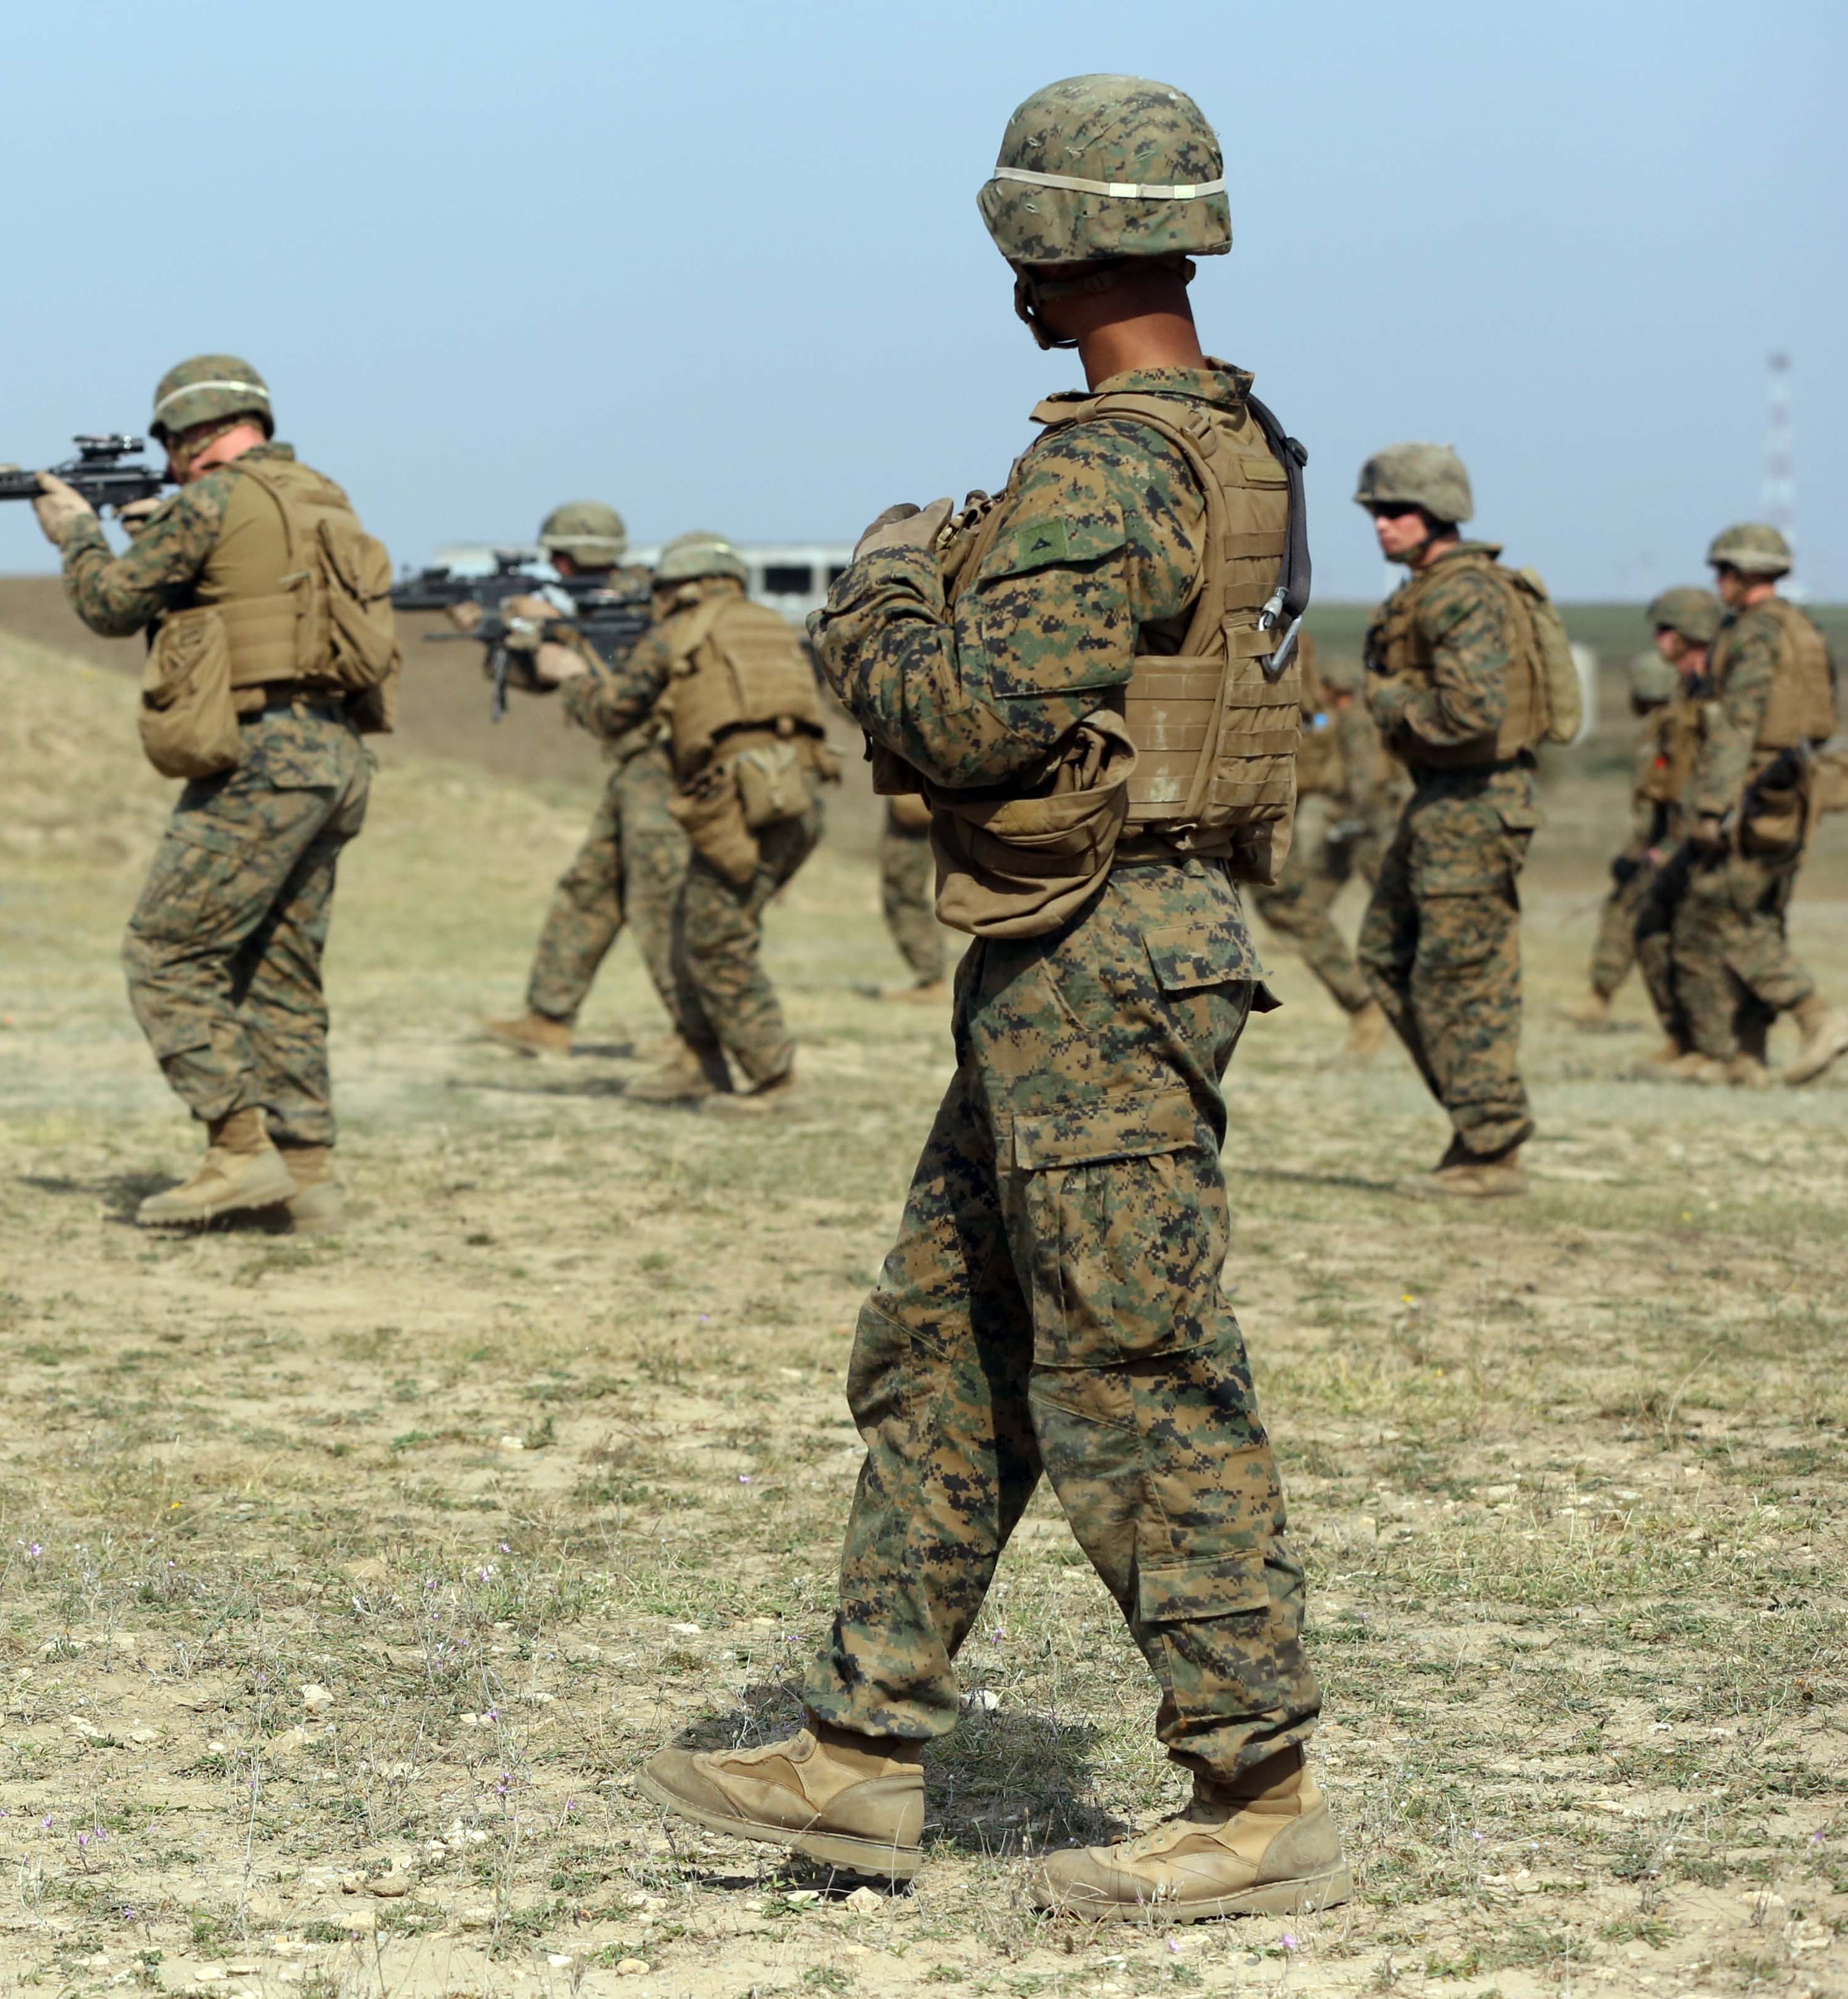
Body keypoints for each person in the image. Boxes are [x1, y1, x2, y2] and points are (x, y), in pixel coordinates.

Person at [646, 75, 1346, 1923]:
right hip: (1091, 951)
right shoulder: (1233, 437)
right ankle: (863, 1747)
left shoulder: (1114, 460)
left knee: (1133, 1364)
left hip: (1105, 957)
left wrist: (878, 593)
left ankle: (1255, 1785)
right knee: (946, 1340)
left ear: (1045, 245)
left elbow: (966, 713)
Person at [35, 354, 395, 1230]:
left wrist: (78, 533)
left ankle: (238, 1149)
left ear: (191, 436)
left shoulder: (209, 499)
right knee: (281, 968)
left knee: (165, 953)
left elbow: (112, 603)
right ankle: (309, 1173)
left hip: (264, 754)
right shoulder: (319, 496)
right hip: (337, 751)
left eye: (171, 447)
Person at [1353, 442, 1553, 1196]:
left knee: (1460, 978)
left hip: (1476, 803)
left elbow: (1471, 713)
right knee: (1385, 954)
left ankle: (1492, 1146)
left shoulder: (1461, 594)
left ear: (1440, 515)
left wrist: (1387, 700)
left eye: (1399, 511)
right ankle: (1479, 1126)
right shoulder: (1430, 589)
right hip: (1441, 801)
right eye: (1377, 512)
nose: (1383, 525)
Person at [477, 502, 697, 1067]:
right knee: (590, 888)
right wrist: (510, 638)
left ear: (571, 557)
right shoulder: (602, 604)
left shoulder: (650, 604)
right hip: (635, 768)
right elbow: (548, 676)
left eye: (559, 555)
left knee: (657, 906)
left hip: (663, 766)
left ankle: (697, 1038)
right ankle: (548, 1018)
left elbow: (612, 684)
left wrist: (540, 630)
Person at [628, 531, 833, 1112]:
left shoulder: (681, 631)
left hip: (739, 804)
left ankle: (774, 1078)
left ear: (682, 587)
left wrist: (564, 670)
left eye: (661, 590)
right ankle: (702, 1060)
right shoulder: (767, 623)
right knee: (703, 922)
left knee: (716, 938)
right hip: (795, 793)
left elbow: (613, 707)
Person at [1667, 522, 1848, 1084]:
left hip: (1754, 790)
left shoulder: (1754, 633)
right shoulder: (1801, 630)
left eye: (1723, 572)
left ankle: (1818, 1018)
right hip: (1794, 789)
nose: (1718, 583)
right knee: (1763, 914)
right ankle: (1746, 1054)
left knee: (1729, 916)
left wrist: (1711, 806)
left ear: (1746, 575)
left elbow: (1739, 723)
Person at [1241, 635, 1396, 1059]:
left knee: (1291, 904)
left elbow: (1359, 771)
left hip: (1264, 803)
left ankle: (1363, 1004)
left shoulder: (1348, 717)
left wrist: (1355, 815)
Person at [1579, 587, 1718, 1045]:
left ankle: (1704, 1038)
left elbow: (1678, 795)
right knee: (1647, 929)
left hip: (1676, 845)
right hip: (1660, 844)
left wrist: (1661, 848)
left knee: (1667, 933)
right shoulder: (1661, 729)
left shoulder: (1679, 726)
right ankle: (1684, 1037)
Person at [874, 794, 950, 1002]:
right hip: (918, 802)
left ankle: (933, 981)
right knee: (903, 894)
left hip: (917, 803)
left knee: (904, 896)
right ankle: (931, 979)